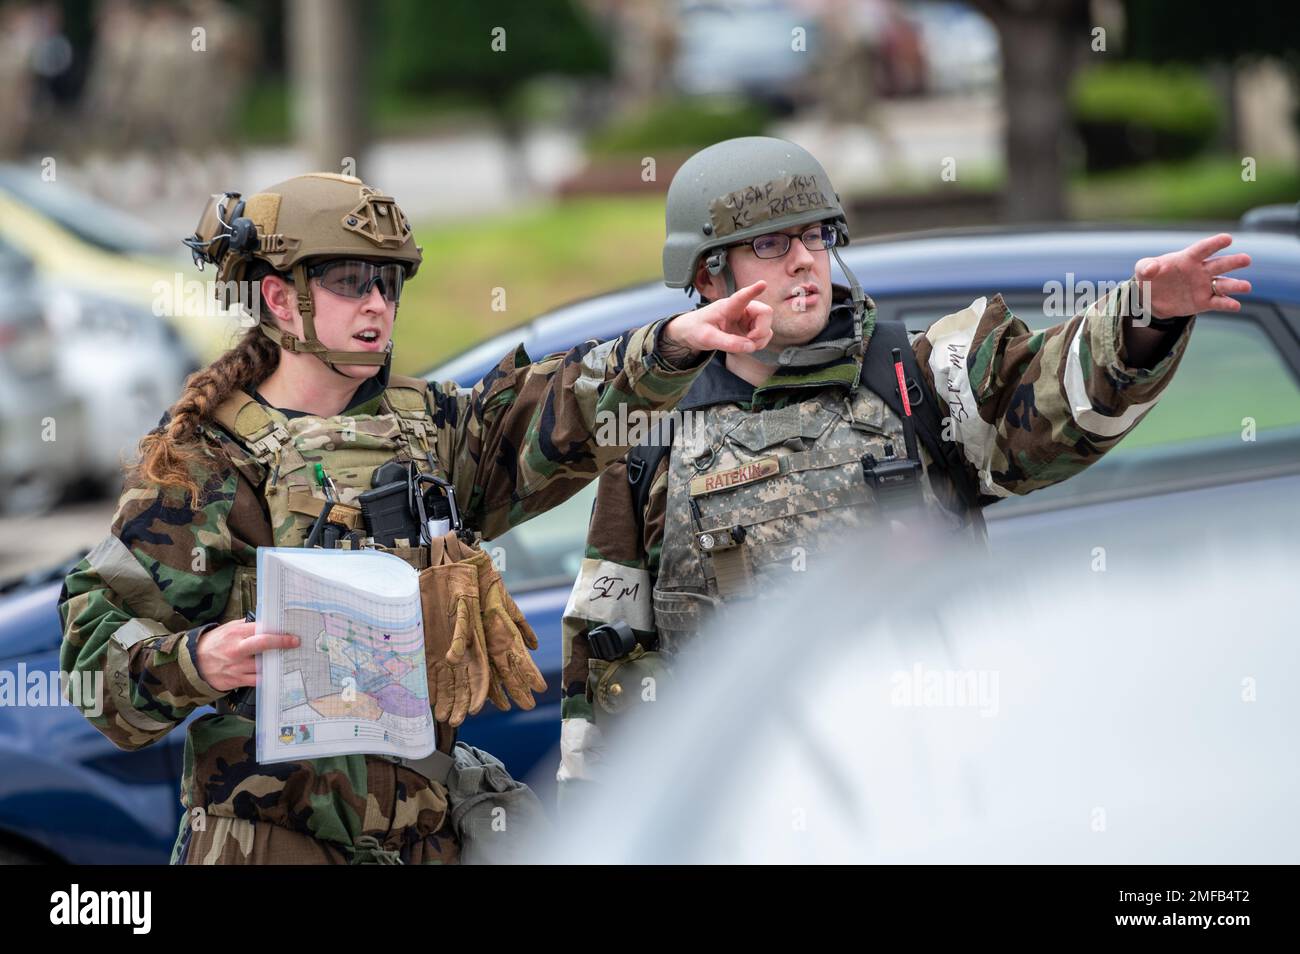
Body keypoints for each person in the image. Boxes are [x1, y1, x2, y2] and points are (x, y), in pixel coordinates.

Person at [57, 172, 773, 864]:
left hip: (423, 833)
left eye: (388, 282)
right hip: (271, 842)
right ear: (279, 298)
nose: (376, 304)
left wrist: (674, 343)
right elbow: (92, 646)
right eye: (349, 283)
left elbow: (555, 411)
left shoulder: (429, 428)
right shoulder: (208, 463)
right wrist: (198, 660)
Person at [555, 136, 1252, 798]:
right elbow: (611, 667)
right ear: (708, 274)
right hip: (757, 813)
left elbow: (1048, 395)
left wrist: (1142, 319)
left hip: (939, 790)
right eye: (769, 243)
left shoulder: (916, 373)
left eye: (817, 236)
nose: (803, 261)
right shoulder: (653, 437)